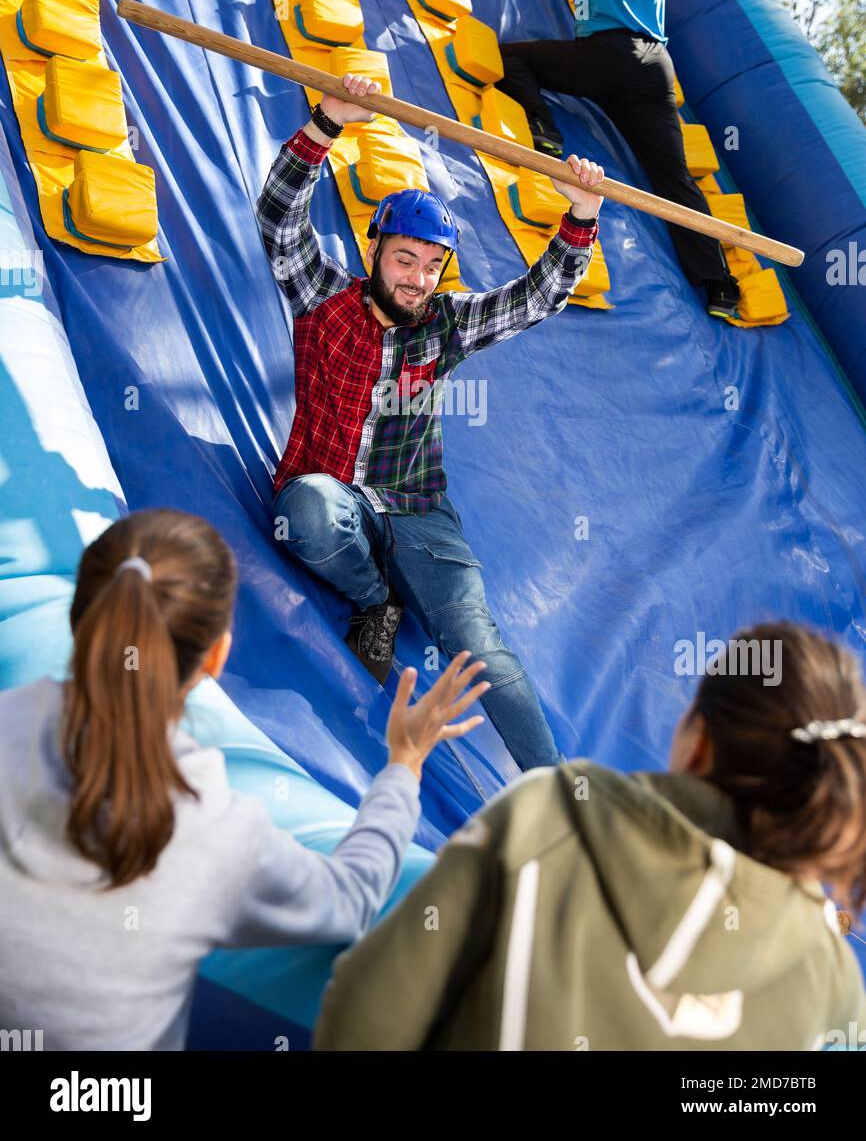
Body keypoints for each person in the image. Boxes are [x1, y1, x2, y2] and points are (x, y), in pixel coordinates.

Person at [0, 508, 488, 1050]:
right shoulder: (217, 828)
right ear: (217, 656)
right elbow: (350, 899)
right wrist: (404, 763)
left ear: (79, 619)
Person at [255, 74, 604, 772]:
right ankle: (375, 599)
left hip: (418, 511)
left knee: (480, 645)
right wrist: (327, 124)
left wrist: (581, 218)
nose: (416, 277)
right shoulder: (323, 298)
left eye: (431, 265)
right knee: (308, 512)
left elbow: (536, 298)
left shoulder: (444, 324)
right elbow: (278, 216)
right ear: (374, 251)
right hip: (333, 492)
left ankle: (558, 789)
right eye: (404, 259)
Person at [313, 622, 866, 1051]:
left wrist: (404, 766)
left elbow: (363, 1021)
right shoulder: (835, 982)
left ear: (697, 743)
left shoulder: (546, 819)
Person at [445, 0, 741, 318]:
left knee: (509, 57)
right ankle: (720, 286)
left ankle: (541, 125)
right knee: (674, 181)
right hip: (655, 70)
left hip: (607, 59)